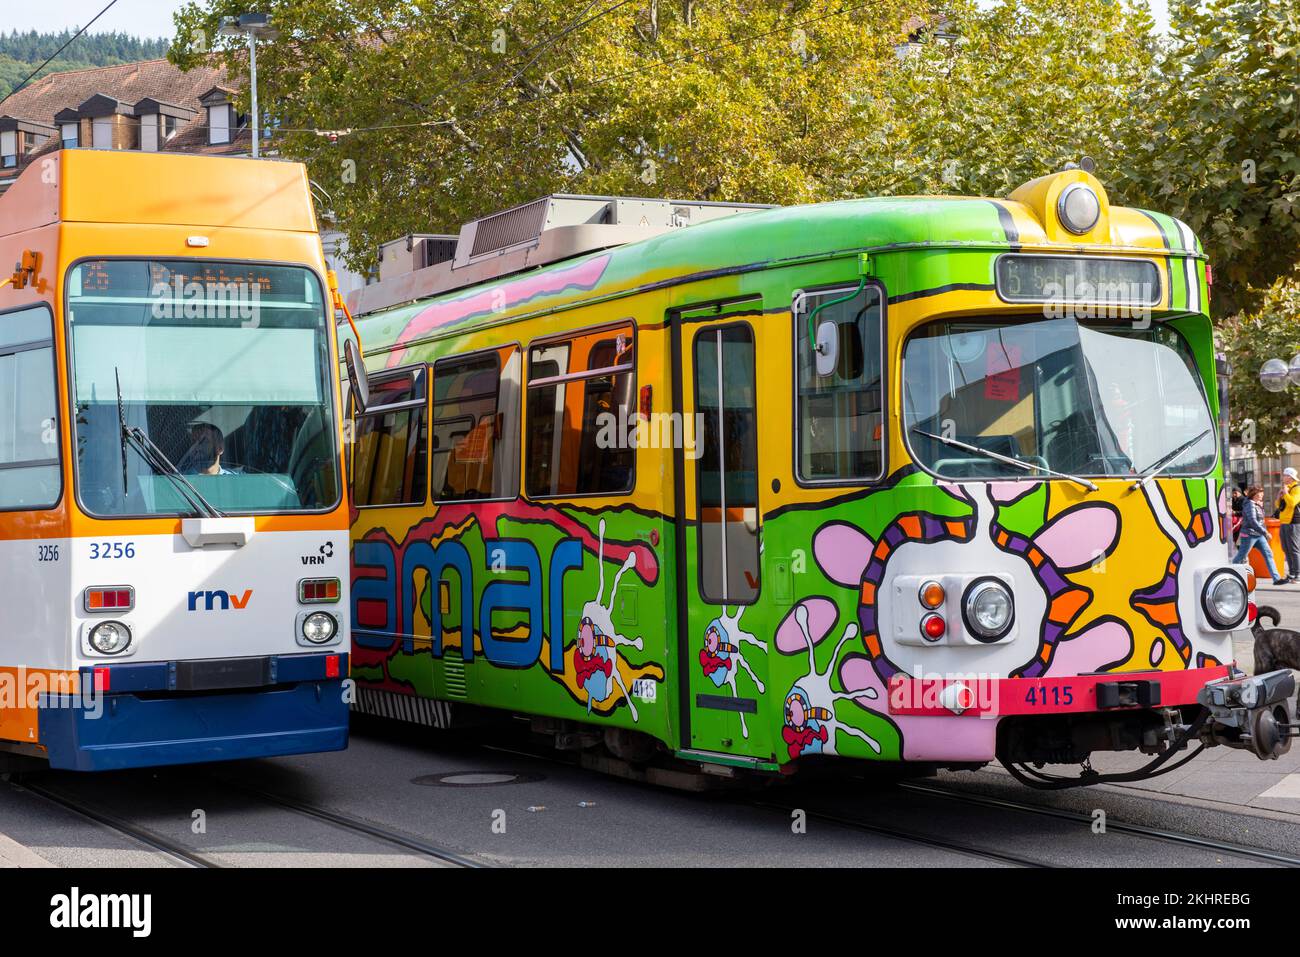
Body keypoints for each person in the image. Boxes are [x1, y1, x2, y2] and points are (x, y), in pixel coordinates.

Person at [1236, 486, 1285, 585]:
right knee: (1241, 557)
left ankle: (1276, 578)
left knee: (1268, 554)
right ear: (1254, 494)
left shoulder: (1256, 504)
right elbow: (1253, 521)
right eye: (1260, 493)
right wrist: (1265, 532)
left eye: (1262, 493)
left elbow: (1260, 520)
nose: (1262, 494)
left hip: (1258, 535)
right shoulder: (1250, 505)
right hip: (1249, 535)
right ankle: (1230, 573)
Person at [1276, 468, 1300, 582]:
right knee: (1286, 548)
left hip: (1293, 523)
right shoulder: (1287, 489)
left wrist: (1285, 493)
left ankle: (1298, 574)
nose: (1283, 477)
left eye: (1285, 475)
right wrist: (1279, 496)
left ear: (1290, 477)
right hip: (1284, 522)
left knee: (1294, 549)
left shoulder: (1297, 489)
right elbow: (1278, 506)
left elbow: (1292, 503)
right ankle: (1292, 573)